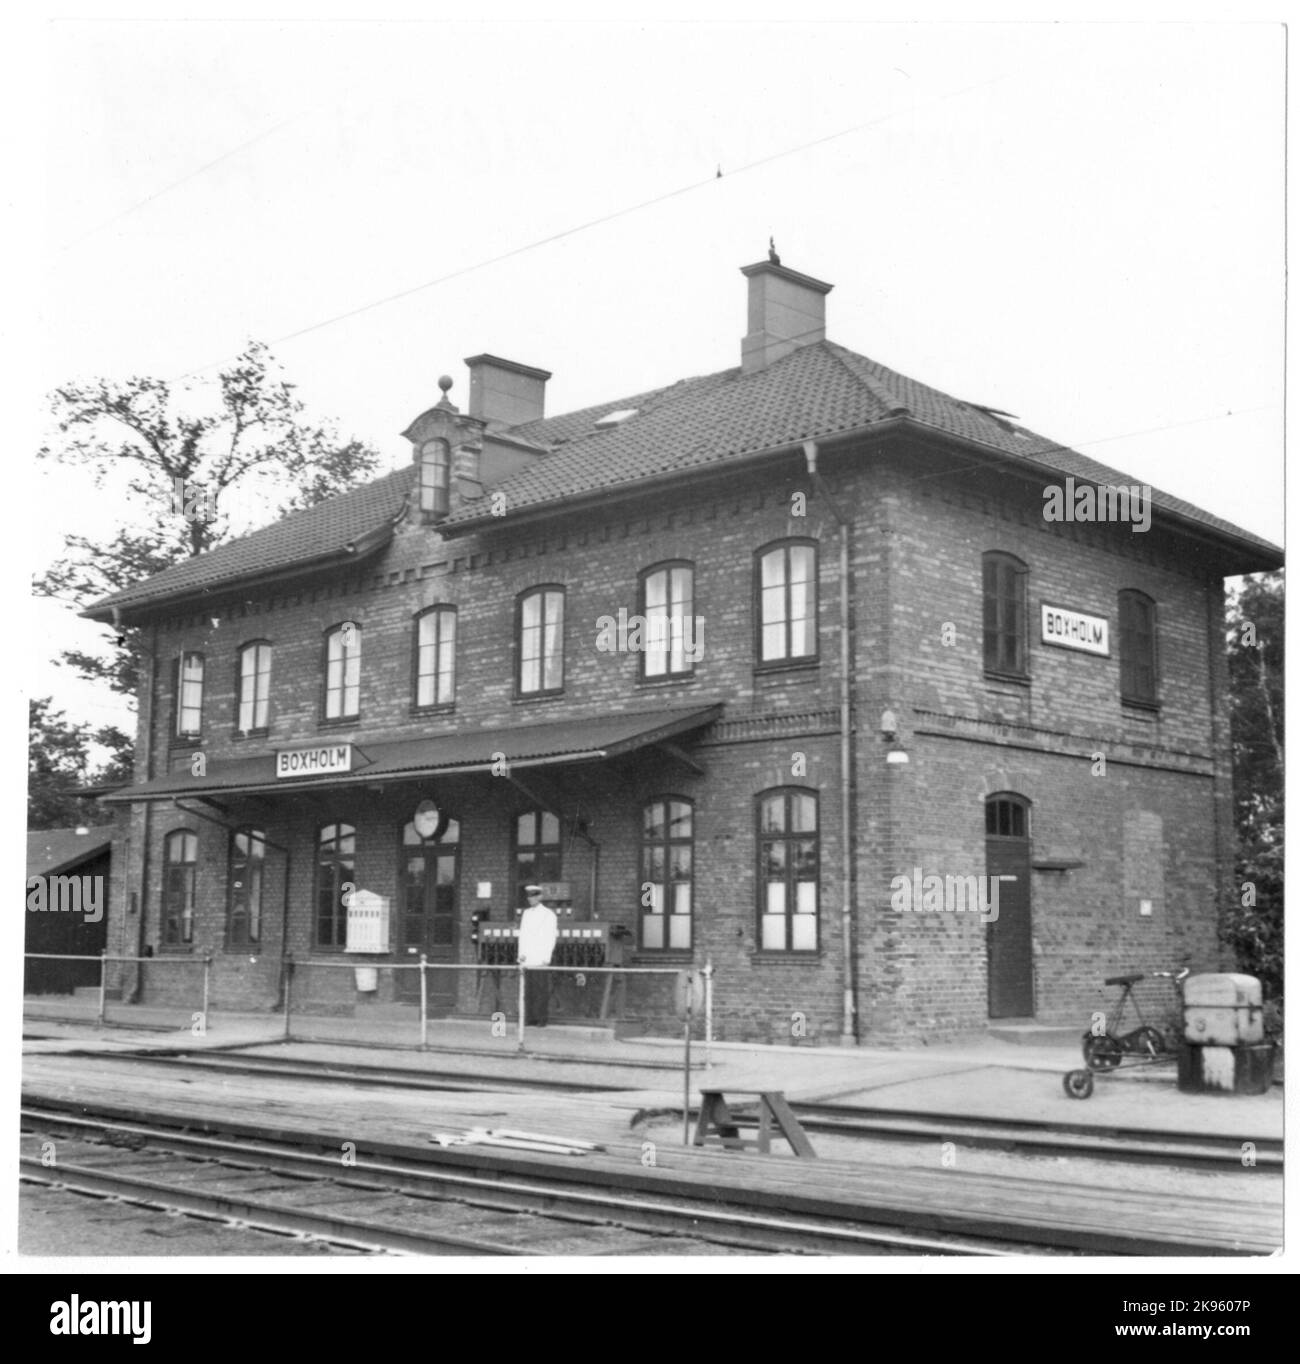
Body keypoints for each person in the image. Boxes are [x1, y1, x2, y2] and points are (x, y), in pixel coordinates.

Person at [517, 884, 559, 1027]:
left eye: (534, 896)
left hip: (540, 957)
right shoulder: (526, 914)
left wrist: (546, 957)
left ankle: (541, 1019)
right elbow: (523, 935)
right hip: (528, 957)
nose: (530, 899)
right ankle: (529, 1018)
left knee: (541, 989)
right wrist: (521, 955)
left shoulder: (549, 915)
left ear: (540, 897)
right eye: (529, 896)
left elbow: (550, 937)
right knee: (528, 989)